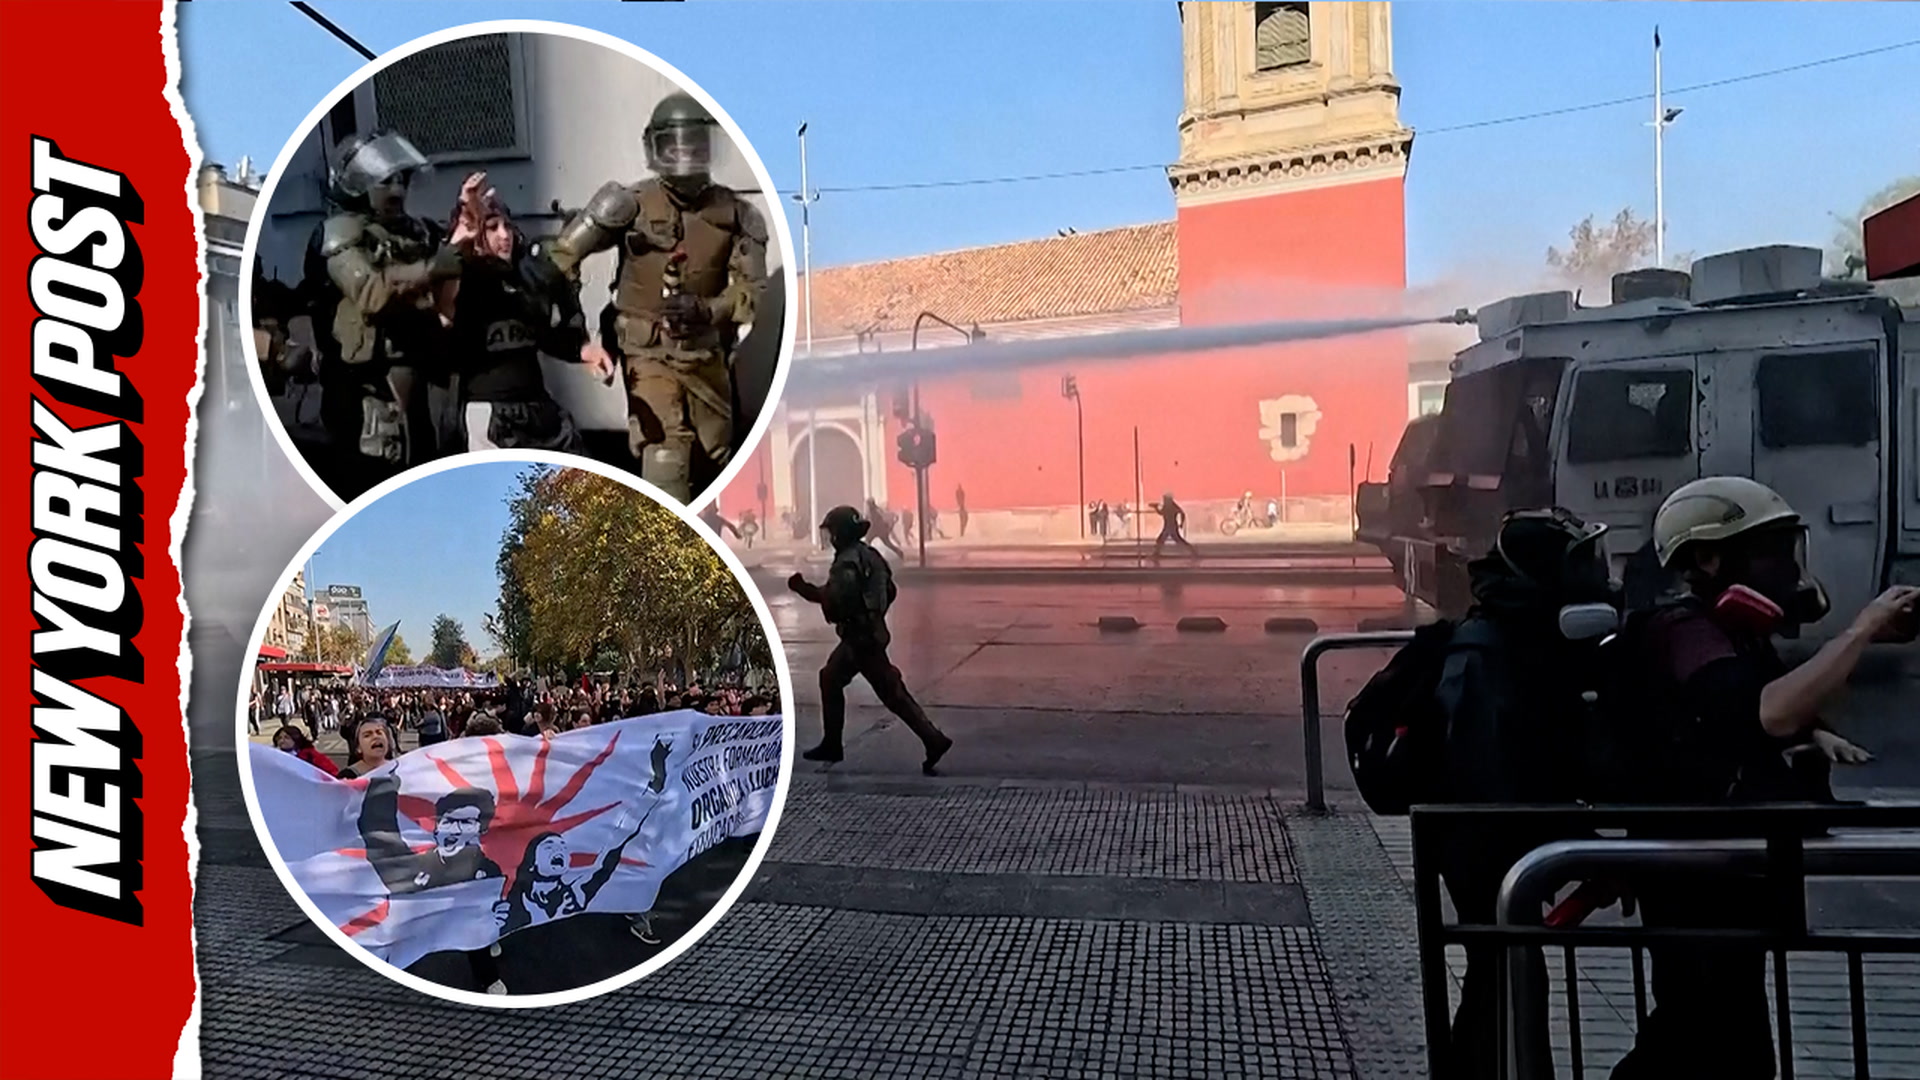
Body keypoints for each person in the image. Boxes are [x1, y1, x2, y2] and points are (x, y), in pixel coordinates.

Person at [1611, 477, 1915, 1080]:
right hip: (1692, 886)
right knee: (1696, 1044)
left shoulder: (1735, 635)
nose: (1785, 567)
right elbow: (1766, 709)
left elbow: (1759, 721)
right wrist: (1862, 631)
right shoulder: (1683, 628)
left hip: (1730, 885)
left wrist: (1812, 736)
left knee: (1730, 1047)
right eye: (1768, 551)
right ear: (1708, 557)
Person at [1431, 508, 1620, 1080]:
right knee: (1504, 978)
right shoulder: (1487, 654)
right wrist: (1570, 848)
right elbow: (1501, 779)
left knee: (1510, 978)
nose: (1596, 577)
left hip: (1508, 852)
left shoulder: (1530, 640)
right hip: (1487, 855)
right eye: (1581, 564)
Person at [545, 93, 770, 503]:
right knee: (665, 451)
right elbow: (560, 257)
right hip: (645, 352)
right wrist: (568, 324)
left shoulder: (737, 214)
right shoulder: (625, 203)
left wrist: (708, 309)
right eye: (674, 146)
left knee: (714, 454)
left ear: (709, 147)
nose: (683, 156)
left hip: (707, 354)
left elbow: (753, 293)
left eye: (693, 145)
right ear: (655, 149)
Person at [302, 130, 461, 495]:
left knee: (424, 469)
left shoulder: (414, 231)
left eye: (401, 179)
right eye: (384, 180)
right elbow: (372, 293)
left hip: (420, 373)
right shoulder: (338, 234)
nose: (397, 190)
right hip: (367, 385)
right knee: (374, 475)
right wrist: (432, 269)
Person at [788, 505, 953, 775]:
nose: (830, 538)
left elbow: (835, 599)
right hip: (871, 633)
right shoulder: (871, 555)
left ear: (840, 534)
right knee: (840, 679)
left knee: (887, 693)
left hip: (859, 639)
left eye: (832, 533)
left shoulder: (846, 562)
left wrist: (802, 589)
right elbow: (890, 590)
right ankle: (930, 738)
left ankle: (931, 739)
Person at [443, 174, 591, 454]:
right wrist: (465, 226)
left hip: (537, 407)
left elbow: (543, 335)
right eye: (492, 228)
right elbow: (445, 302)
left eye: (507, 227)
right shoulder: (465, 280)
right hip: (492, 415)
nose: (504, 235)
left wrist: (582, 350)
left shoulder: (523, 278)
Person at [271, 725, 338, 777]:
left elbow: (331, 771)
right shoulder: (273, 756)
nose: (282, 741)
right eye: (279, 738)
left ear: (295, 739)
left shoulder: (309, 755)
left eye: (287, 738)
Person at [1151, 492, 1197, 559]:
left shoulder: (1172, 506)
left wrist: (1181, 523)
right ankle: (1156, 553)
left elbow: (1181, 513)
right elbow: (1162, 513)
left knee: (1172, 540)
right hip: (1167, 526)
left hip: (1171, 527)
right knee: (1163, 540)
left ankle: (1192, 550)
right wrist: (1156, 508)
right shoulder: (1168, 506)